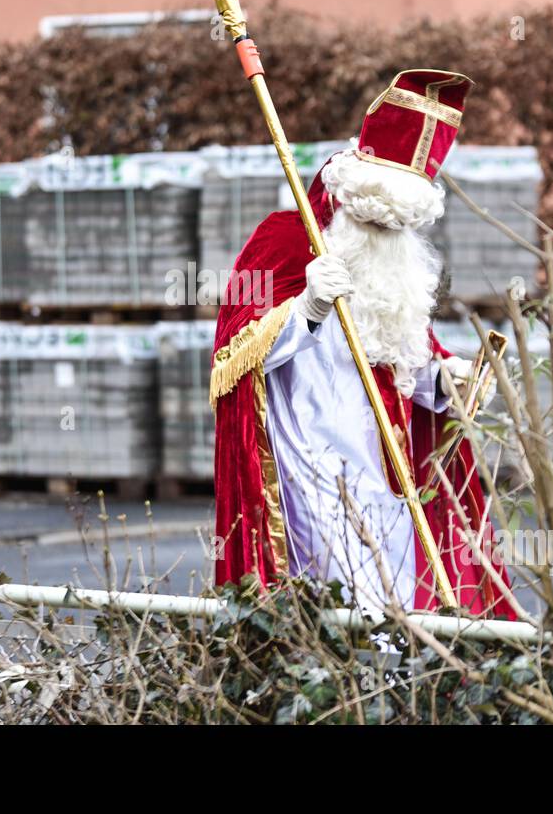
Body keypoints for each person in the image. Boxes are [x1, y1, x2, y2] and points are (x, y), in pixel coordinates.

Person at [210, 69, 515, 617]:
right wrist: (304, 308)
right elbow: (233, 358)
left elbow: (401, 362)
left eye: (395, 230)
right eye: (374, 224)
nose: (383, 240)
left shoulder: (394, 271)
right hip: (306, 462)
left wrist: (446, 379)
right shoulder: (282, 239)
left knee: (394, 597)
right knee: (336, 603)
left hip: (382, 474)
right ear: (349, 196)